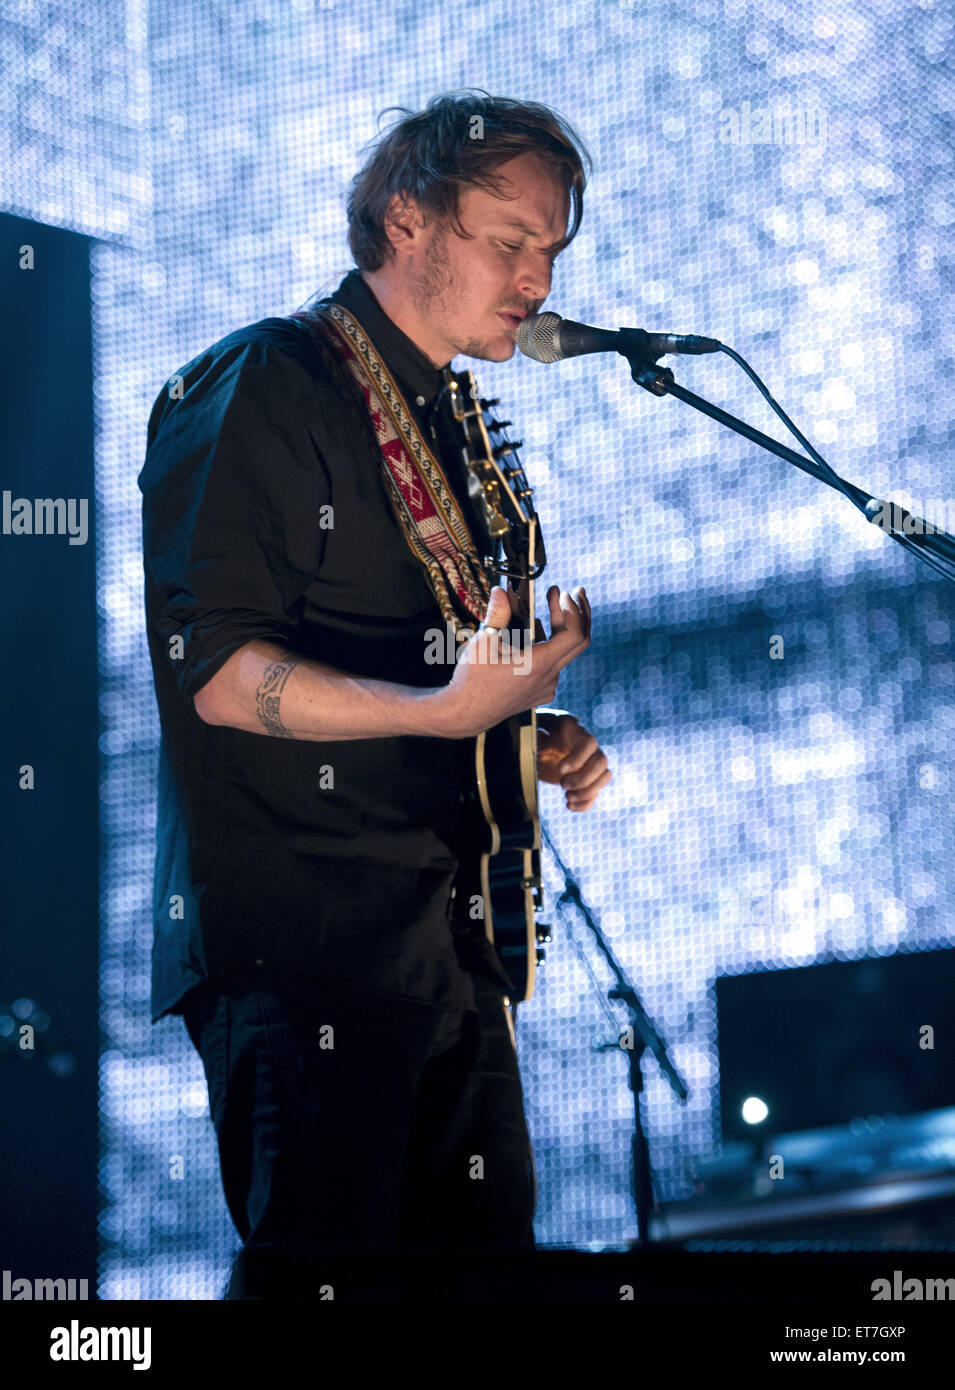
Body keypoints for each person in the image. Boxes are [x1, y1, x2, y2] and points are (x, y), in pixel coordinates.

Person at [138, 91, 611, 1299]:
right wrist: (437, 715)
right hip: (306, 955)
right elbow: (227, 680)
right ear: (408, 219)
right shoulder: (261, 383)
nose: (536, 277)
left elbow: (424, 672)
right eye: (510, 241)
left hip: (451, 947)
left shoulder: (449, 414)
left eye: (552, 251)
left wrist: (515, 737)